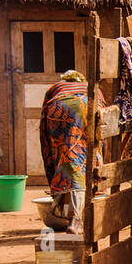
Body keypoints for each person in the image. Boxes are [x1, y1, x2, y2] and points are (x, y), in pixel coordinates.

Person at [38, 70, 100, 234]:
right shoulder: (91, 86)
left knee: (66, 160)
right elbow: (103, 116)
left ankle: (69, 214)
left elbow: (44, 115)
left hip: (58, 108)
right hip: (86, 106)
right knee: (79, 161)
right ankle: (76, 219)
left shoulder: (56, 88)